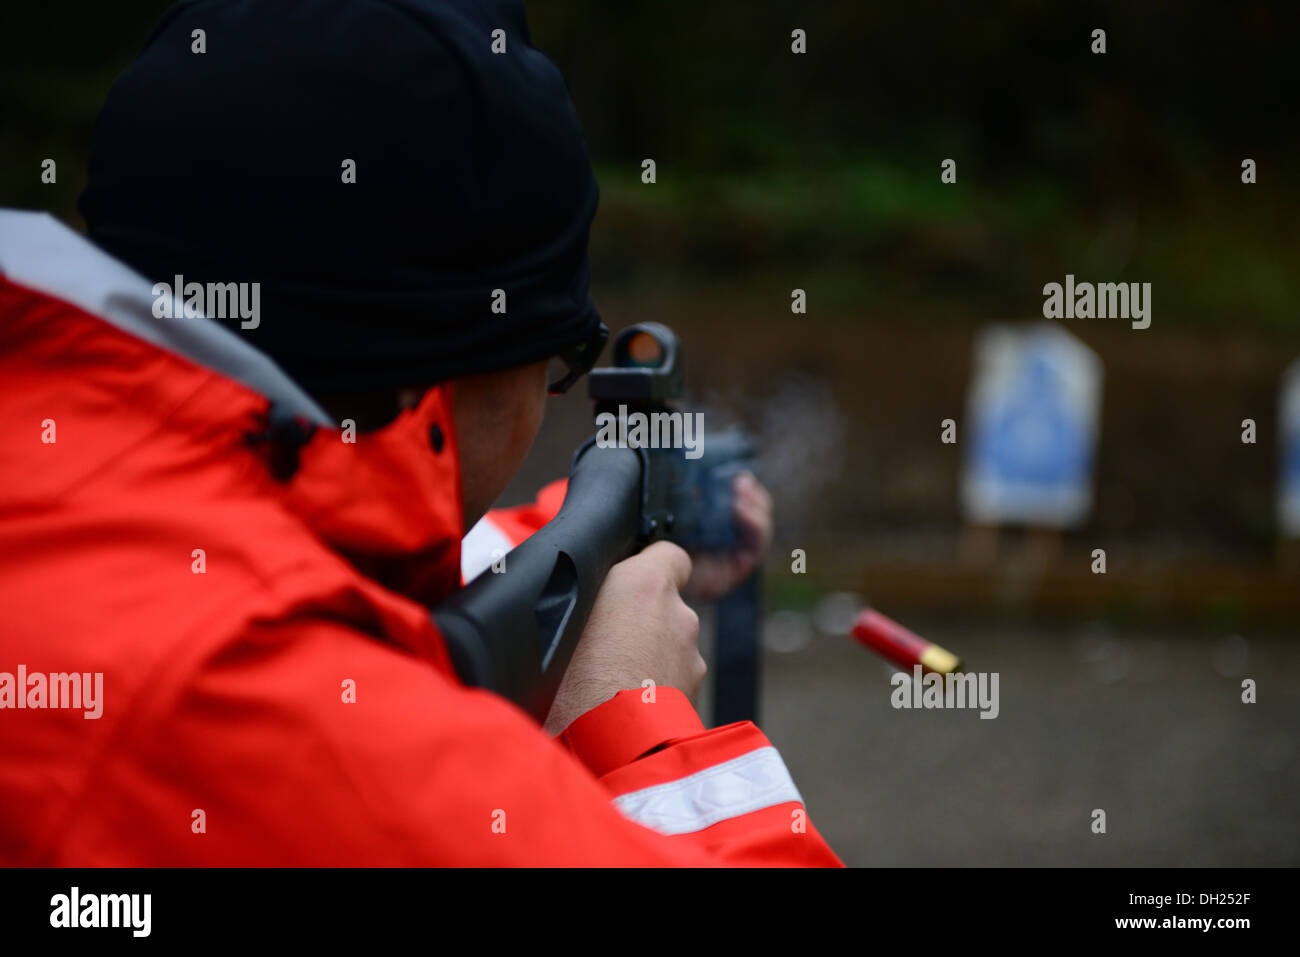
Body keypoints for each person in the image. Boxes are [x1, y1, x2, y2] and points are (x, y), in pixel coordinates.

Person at [0, 0, 841, 865]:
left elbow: (273, 520)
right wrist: (637, 719)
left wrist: (586, 547)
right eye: (556, 363)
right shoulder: (246, 691)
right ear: (452, 374)